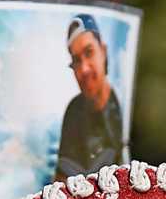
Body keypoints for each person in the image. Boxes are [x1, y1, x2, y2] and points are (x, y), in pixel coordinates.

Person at [54, 12, 127, 179]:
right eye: (76, 60)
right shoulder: (74, 110)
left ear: (104, 51)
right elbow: (61, 175)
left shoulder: (123, 107)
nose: (84, 69)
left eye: (89, 52)